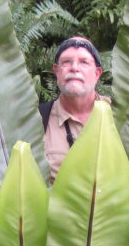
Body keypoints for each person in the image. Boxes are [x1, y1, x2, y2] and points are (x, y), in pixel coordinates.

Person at [40, 36, 109, 180]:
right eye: (66, 62)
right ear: (56, 71)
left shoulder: (120, 115)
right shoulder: (38, 120)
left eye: (84, 62)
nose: (74, 68)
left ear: (97, 74)